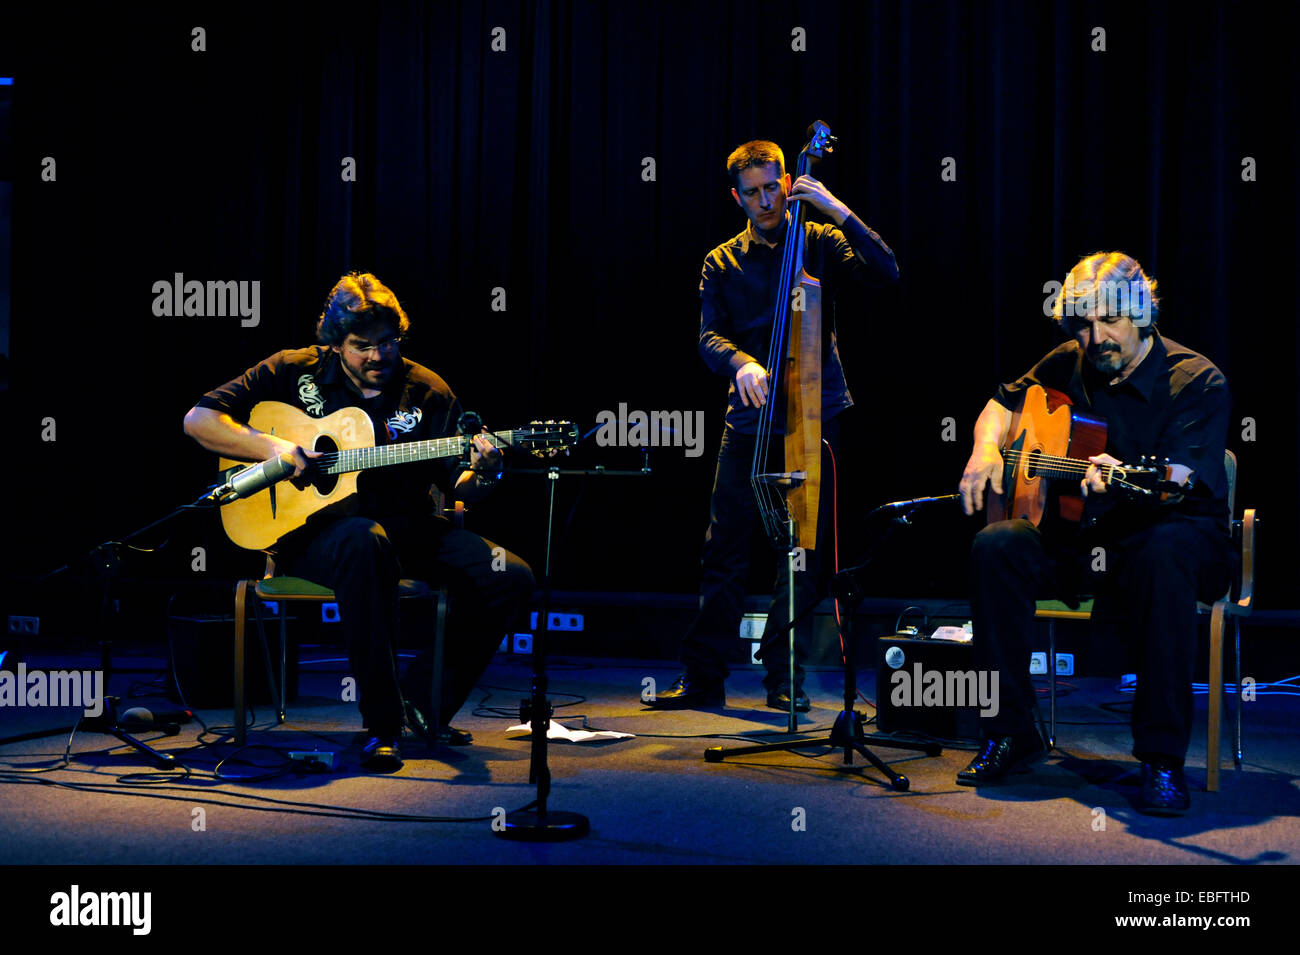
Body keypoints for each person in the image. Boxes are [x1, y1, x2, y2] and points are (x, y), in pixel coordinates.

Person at [183, 272, 534, 772]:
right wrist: (275, 448)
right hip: (311, 534)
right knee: (364, 543)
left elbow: (461, 486)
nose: (377, 356)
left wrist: (486, 471)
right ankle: (382, 725)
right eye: (361, 346)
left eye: (388, 343)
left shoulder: (427, 391)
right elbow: (199, 420)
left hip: (408, 528)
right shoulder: (291, 369)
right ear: (336, 343)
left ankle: (422, 701)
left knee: (510, 577)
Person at [957, 251, 1232, 814]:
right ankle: (1011, 732)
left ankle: (1160, 758)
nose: (1095, 336)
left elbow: (1179, 483)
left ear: (1143, 313)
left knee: (1164, 552)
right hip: (1085, 539)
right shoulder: (1068, 359)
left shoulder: (1196, 380)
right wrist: (986, 448)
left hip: (1173, 535)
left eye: (1109, 320)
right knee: (996, 545)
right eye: (1082, 322)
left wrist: (1129, 483)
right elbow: (1001, 403)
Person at [646, 139, 898, 711]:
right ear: (736, 197)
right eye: (753, 193)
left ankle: (785, 677)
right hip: (750, 419)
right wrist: (742, 362)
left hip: (816, 415)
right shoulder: (721, 261)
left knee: (799, 551)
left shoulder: (818, 240)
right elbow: (709, 337)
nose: (766, 201)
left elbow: (886, 273)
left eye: (773, 187)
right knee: (724, 550)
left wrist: (835, 207)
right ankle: (703, 676)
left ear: (788, 182)